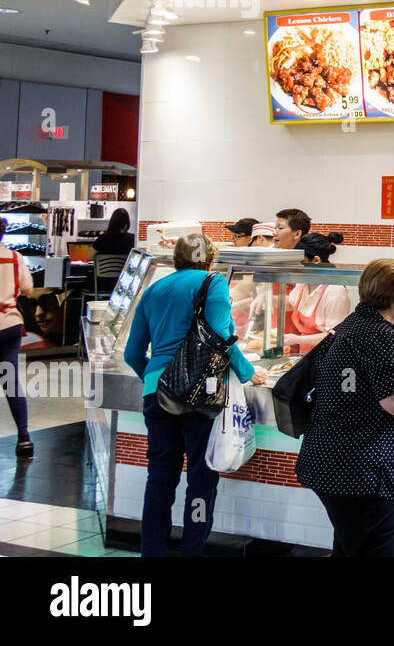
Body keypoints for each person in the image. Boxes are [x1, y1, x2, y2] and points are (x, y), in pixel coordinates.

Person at [123, 233, 268, 556]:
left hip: (156, 395)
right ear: (210, 259)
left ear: (175, 257)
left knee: (160, 478)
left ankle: (153, 552)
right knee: (201, 481)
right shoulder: (212, 282)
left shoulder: (153, 289)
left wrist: (156, 379)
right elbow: (222, 336)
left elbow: (132, 354)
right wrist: (248, 372)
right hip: (200, 394)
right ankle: (190, 551)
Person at [296, 258, 394, 557]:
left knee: (350, 547)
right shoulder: (380, 335)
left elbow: (367, 381)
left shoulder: (353, 325)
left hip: (334, 464)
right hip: (363, 472)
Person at [0, 219, 35, 459]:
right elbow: (28, 289)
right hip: (10, 324)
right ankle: (24, 438)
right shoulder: (14, 257)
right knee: (11, 383)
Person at [283, 231, 349, 352]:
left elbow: (334, 337)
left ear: (316, 260)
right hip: (304, 357)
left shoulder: (335, 293)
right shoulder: (304, 283)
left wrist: (298, 340)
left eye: (301, 262)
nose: (296, 268)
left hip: (324, 358)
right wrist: (265, 299)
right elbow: (290, 303)